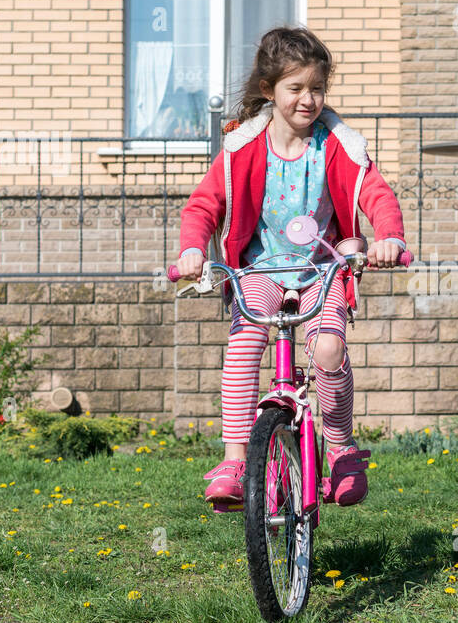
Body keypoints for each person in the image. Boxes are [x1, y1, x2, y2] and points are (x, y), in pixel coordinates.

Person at [175, 26, 409, 511]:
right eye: (295, 88)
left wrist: (387, 236)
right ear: (269, 90)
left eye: (317, 88)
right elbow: (203, 206)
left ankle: (341, 449)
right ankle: (236, 460)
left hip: (323, 271)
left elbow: (376, 194)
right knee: (244, 343)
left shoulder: (336, 146)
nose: (308, 99)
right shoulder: (242, 149)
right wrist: (193, 250)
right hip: (261, 270)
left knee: (327, 349)